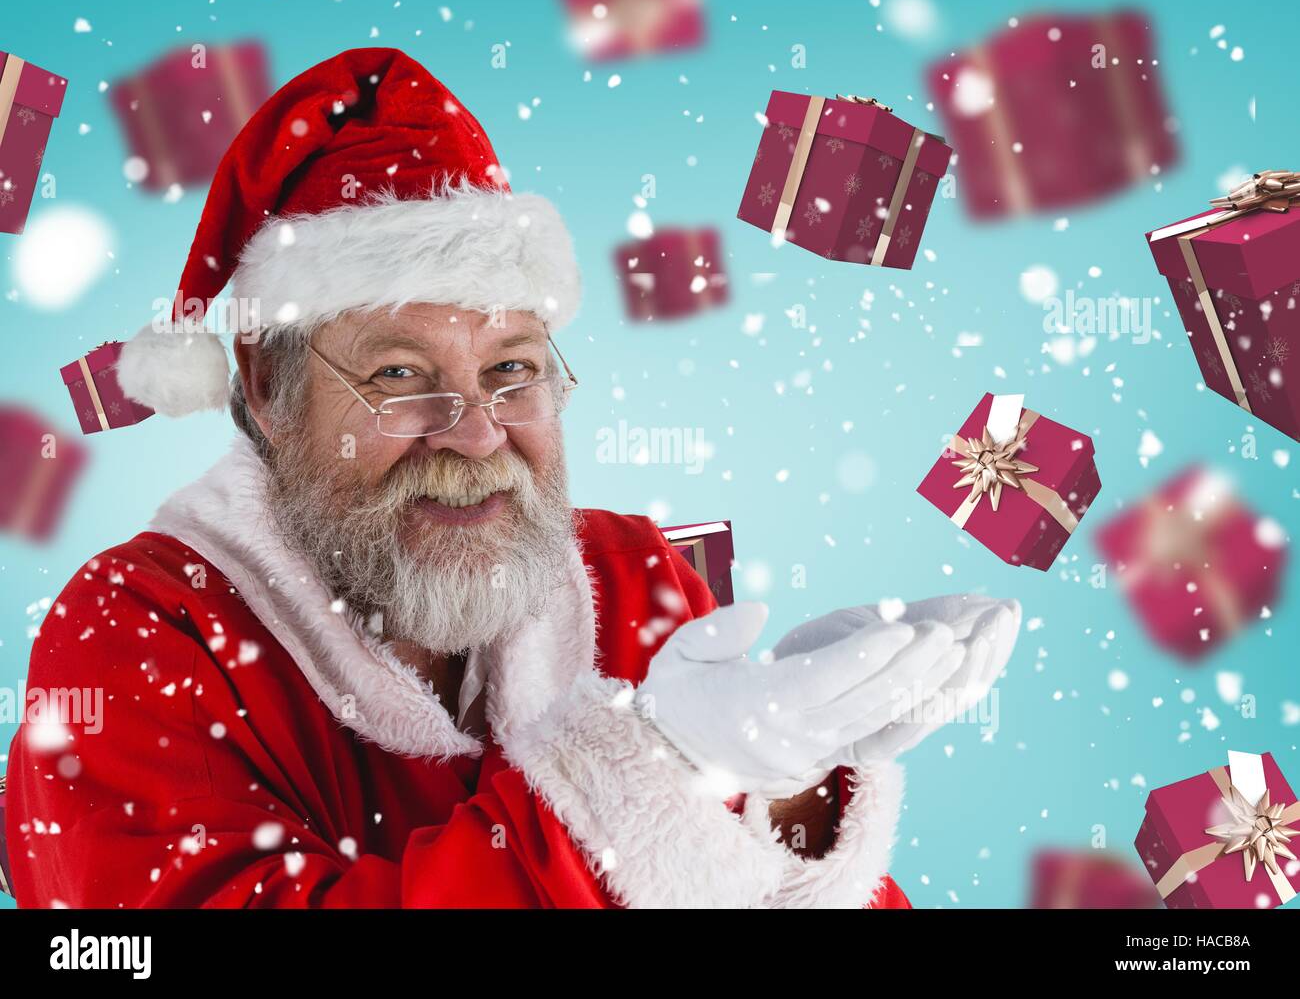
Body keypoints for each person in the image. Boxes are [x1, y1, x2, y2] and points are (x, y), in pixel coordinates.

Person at [4, 48, 1019, 908]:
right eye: (400, 374)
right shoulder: (127, 639)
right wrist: (656, 777)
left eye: (510, 370)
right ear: (268, 389)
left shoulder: (631, 575)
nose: (476, 434)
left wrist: (792, 794)